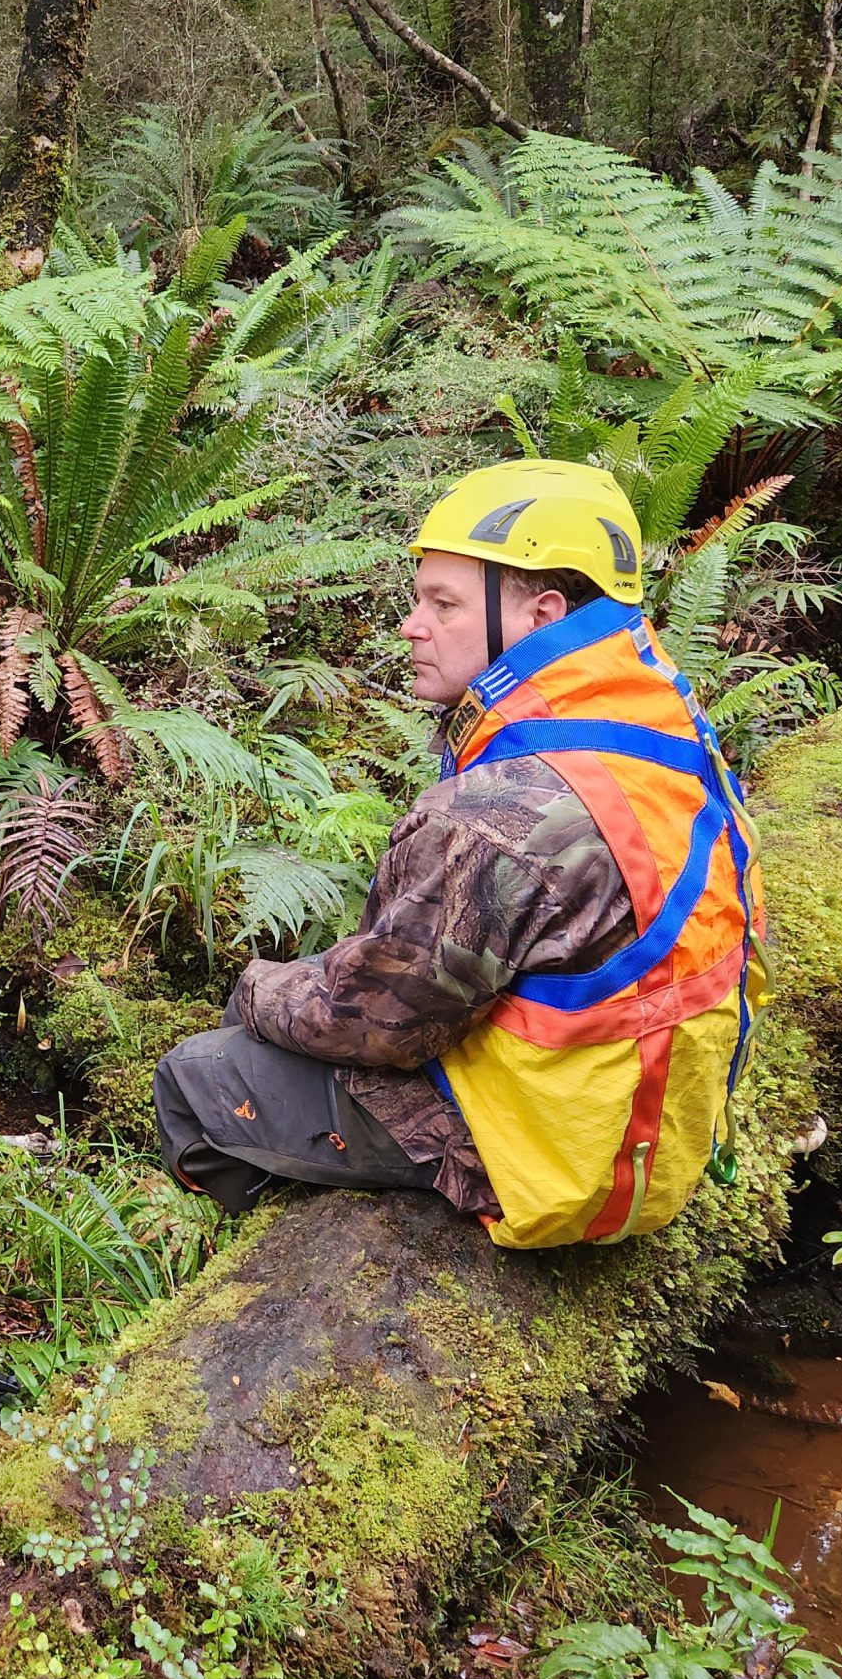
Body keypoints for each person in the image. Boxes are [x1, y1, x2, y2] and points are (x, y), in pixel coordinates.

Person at [153, 459, 763, 1249]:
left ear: (541, 614)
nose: (412, 625)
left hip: (563, 1166)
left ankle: (273, 1237)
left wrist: (259, 983)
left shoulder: (500, 812)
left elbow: (379, 1027)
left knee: (201, 1070)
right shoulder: (655, 716)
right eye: (419, 600)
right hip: (652, 1122)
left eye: (442, 604)